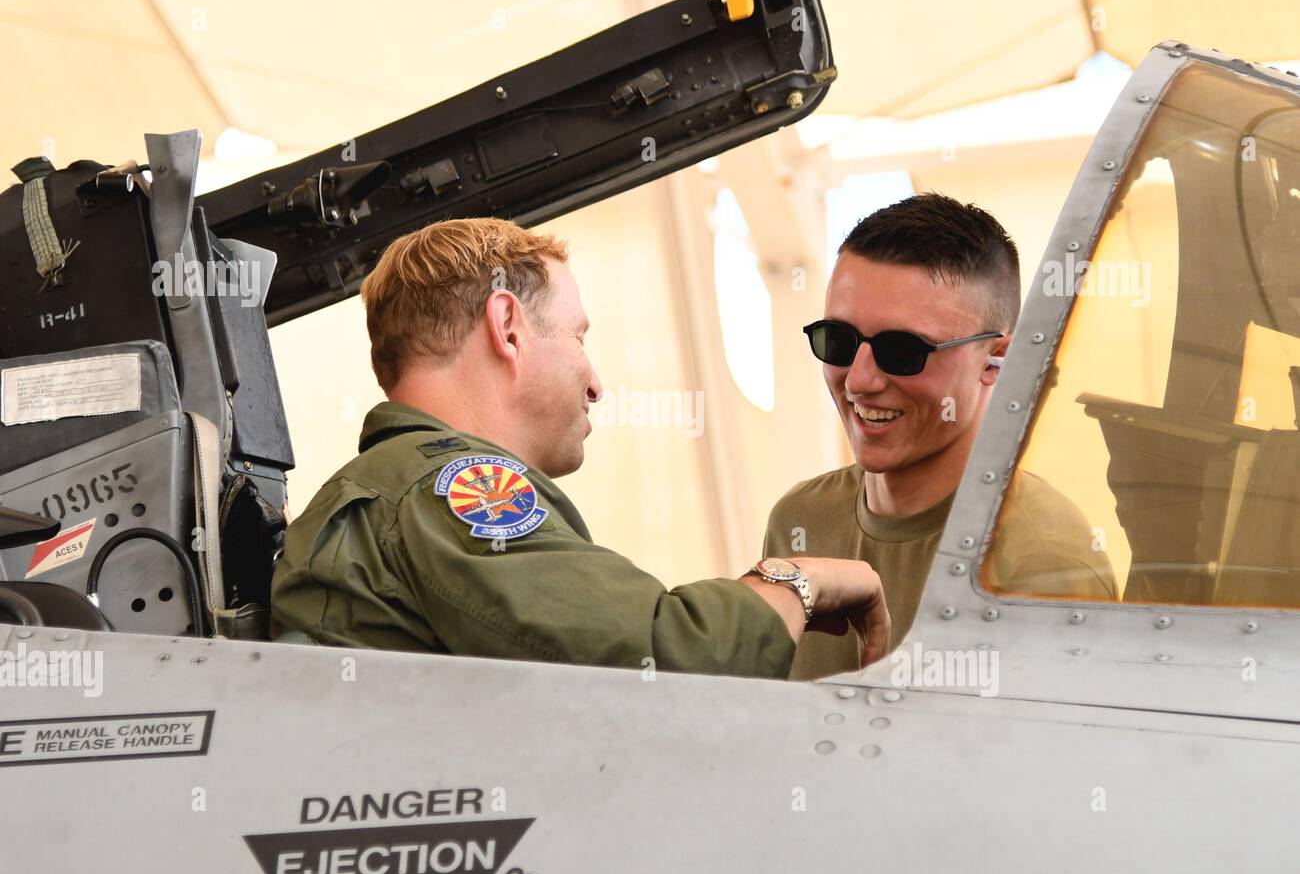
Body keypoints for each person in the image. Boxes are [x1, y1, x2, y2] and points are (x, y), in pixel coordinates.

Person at [270, 218, 889, 678]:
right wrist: (799, 581)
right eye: (577, 337)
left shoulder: (395, 493)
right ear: (508, 328)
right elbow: (673, 658)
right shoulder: (449, 489)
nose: (596, 384)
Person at [763, 194, 1117, 680]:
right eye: (838, 340)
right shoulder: (799, 520)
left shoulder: (1044, 563)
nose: (859, 380)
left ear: (998, 359)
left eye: (902, 351)